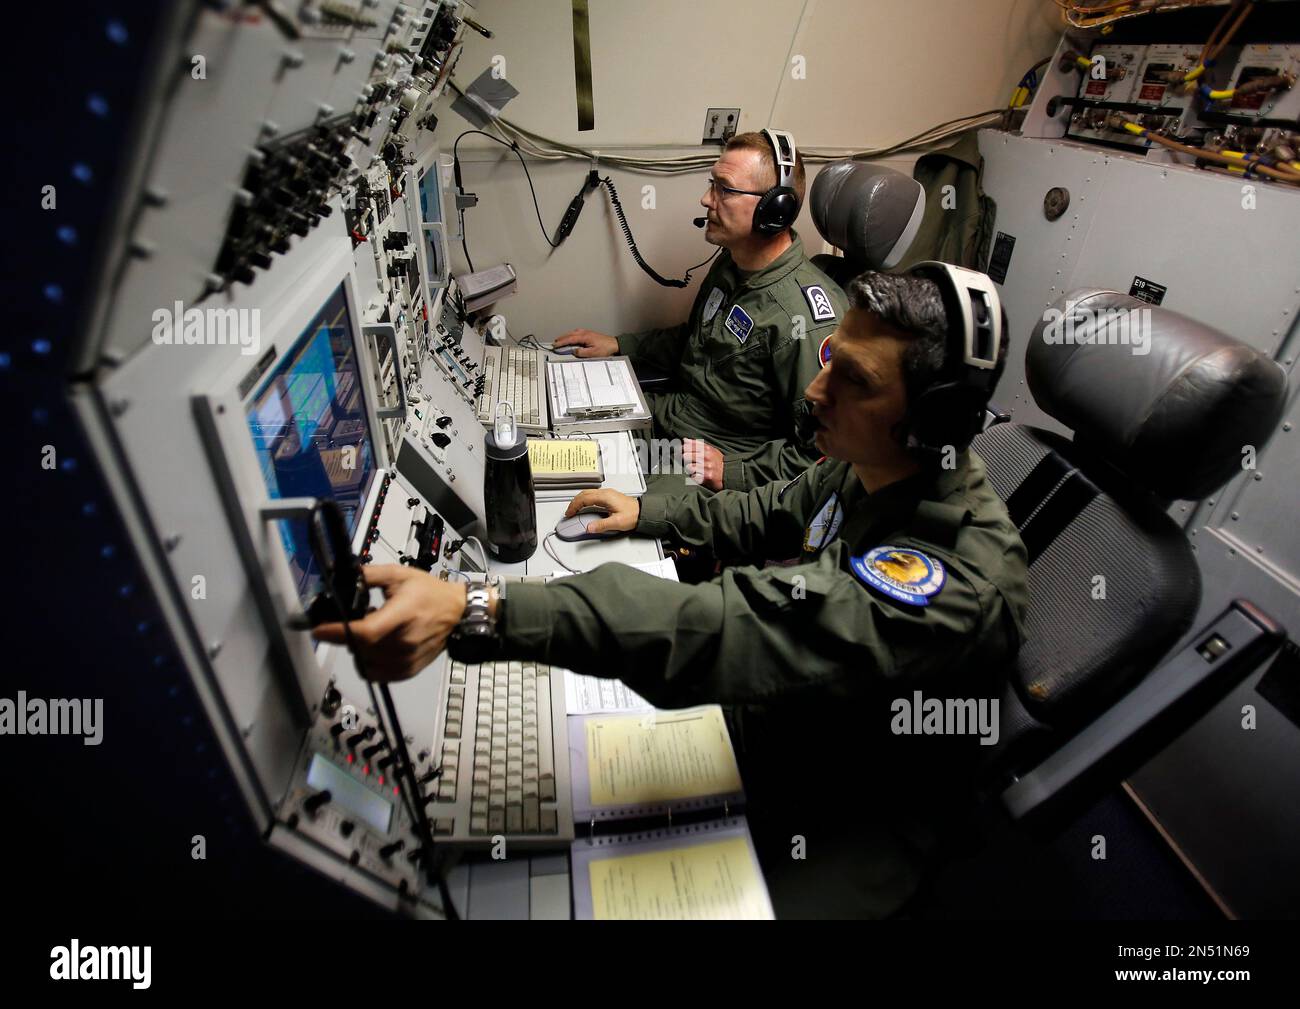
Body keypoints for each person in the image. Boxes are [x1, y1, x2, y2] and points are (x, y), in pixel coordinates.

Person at [315, 267, 1029, 918]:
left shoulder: (957, 584)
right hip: (791, 722)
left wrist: (485, 608)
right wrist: (647, 509)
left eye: (856, 379)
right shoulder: (873, 466)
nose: (817, 392)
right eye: (830, 359)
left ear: (930, 421)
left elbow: (741, 626)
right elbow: (763, 510)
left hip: (853, 814)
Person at [553, 130, 847, 492]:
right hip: (673, 417)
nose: (706, 199)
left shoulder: (806, 321)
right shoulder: (731, 263)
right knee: (560, 437)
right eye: (712, 184)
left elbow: (824, 456)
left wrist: (734, 473)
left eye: (724, 189)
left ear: (776, 209)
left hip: (719, 459)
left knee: (596, 504)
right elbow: (697, 338)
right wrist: (619, 344)